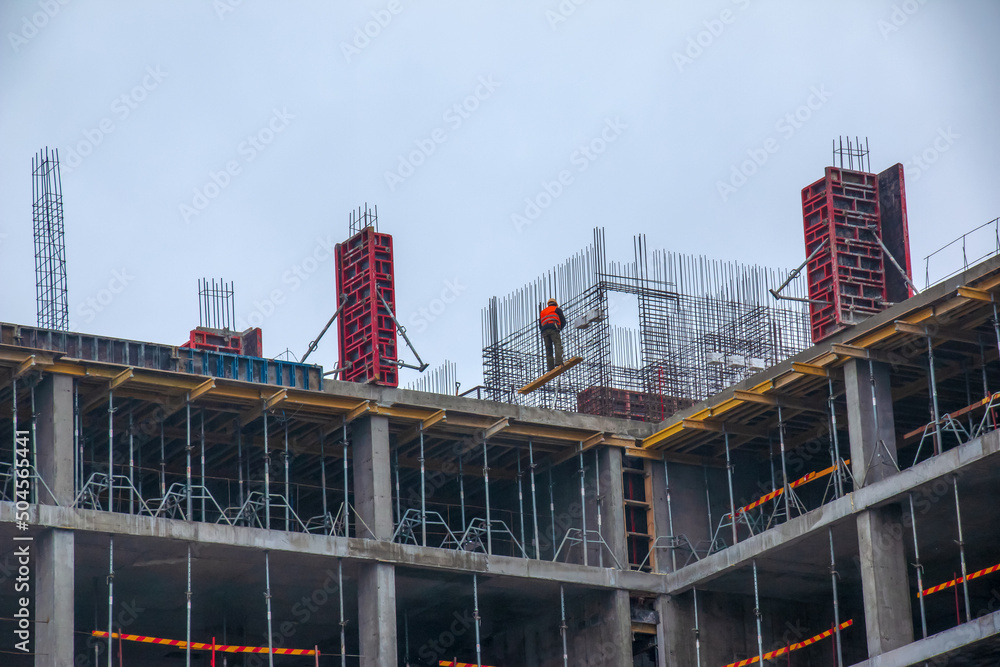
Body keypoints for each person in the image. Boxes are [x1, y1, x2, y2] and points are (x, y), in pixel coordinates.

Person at [539, 298, 566, 372]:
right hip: (553, 328)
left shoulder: (543, 312)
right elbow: (563, 321)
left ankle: (550, 367)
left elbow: (540, 325)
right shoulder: (557, 309)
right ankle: (558, 361)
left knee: (548, 349)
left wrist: (543, 330)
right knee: (557, 344)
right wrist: (559, 328)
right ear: (555, 304)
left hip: (544, 330)